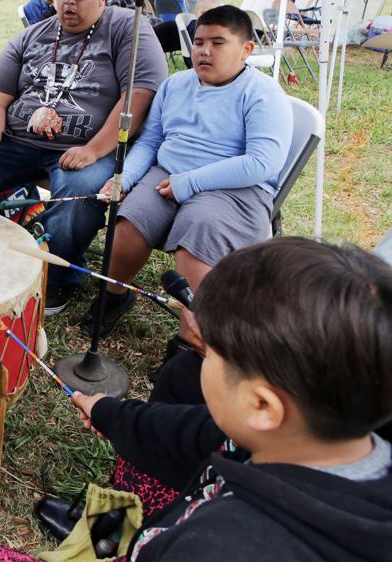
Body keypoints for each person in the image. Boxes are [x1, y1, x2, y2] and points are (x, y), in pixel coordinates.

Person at [70, 238, 392, 561]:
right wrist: (108, 413)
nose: (201, 356)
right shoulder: (299, 437)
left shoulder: (221, 548)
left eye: (208, 354)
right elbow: (191, 431)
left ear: (262, 405)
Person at [0, 0, 168, 312]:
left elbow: (139, 94)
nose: (69, 1)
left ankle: (56, 274)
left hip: (86, 146)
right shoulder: (32, 35)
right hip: (18, 140)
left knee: (81, 185)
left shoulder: (128, 27)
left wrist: (94, 149)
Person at [79, 5, 291, 337]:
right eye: (199, 41)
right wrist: (124, 180)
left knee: (198, 235)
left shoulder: (264, 93)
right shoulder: (175, 85)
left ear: (246, 49)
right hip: (169, 173)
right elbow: (150, 141)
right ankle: (114, 296)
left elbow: (262, 163)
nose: (204, 51)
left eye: (218, 42)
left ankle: (191, 338)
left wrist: (189, 183)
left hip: (234, 188)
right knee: (130, 223)